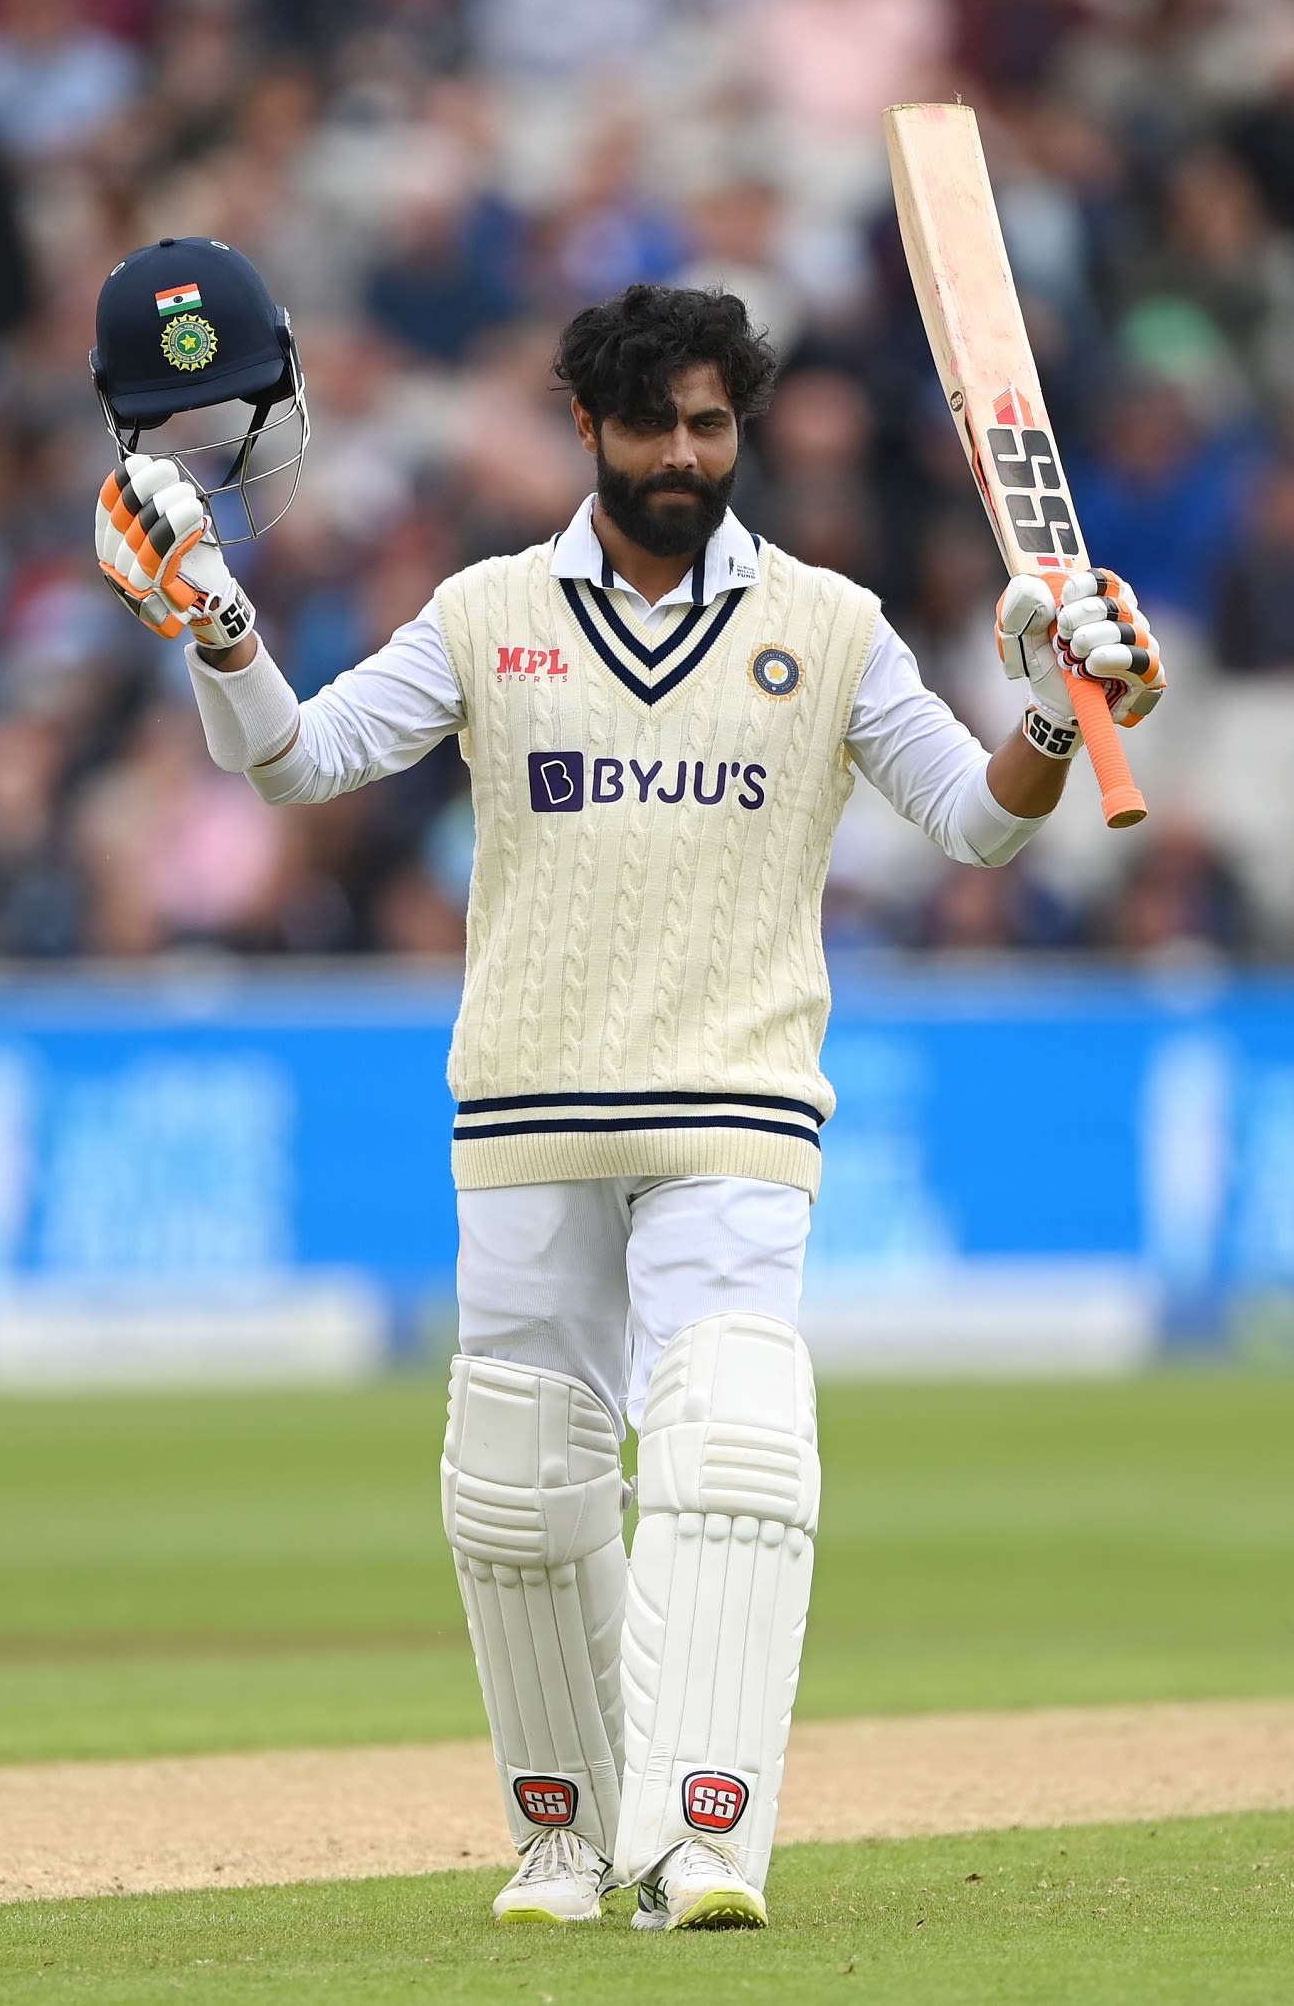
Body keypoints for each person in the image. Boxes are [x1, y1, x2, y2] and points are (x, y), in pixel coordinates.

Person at [93, 259, 1166, 1931]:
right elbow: (293, 758)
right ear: (586, 424)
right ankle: (568, 1843)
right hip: (528, 1100)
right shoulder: (486, 613)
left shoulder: (828, 624)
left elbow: (980, 817)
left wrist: (1050, 701)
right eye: (656, 421)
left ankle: (707, 1840)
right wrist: (219, 630)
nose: (687, 452)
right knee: (522, 1476)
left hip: (736, 1104)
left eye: (714, 424)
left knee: (732, 1433)